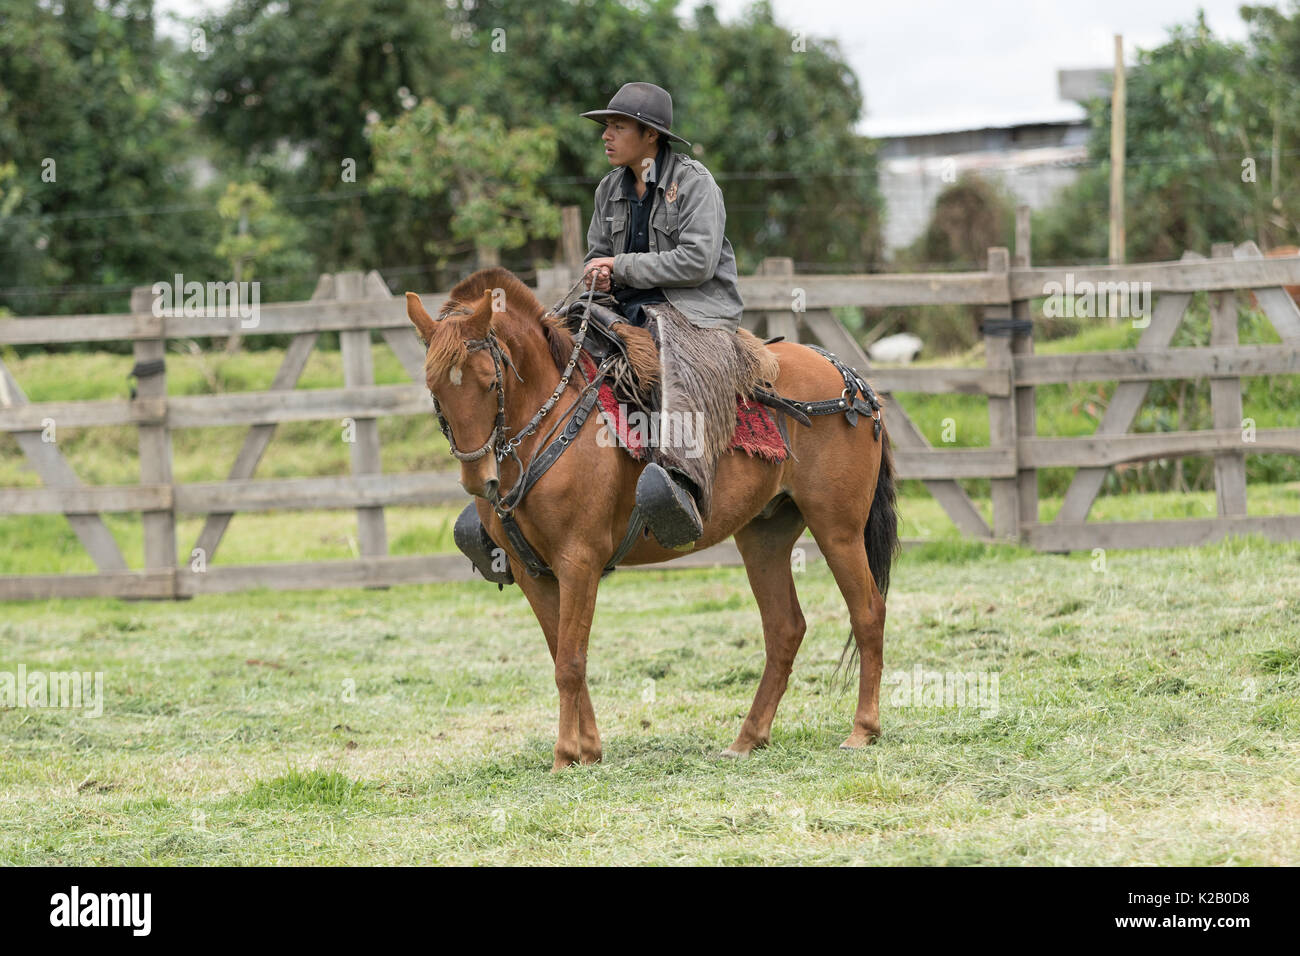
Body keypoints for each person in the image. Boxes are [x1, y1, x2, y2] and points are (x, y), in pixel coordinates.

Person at [578, 82, 747, 550]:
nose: (606, 136)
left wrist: (622, 266)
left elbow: (697, 262)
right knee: (551, 342)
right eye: (605, 126)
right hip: (624, 308)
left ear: (649, 135)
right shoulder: (607, 191)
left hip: (692, 310)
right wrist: (599, 275)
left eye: (617, 126)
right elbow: (596, 254)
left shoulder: (694, 184)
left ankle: (683, 488)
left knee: (685, 371)